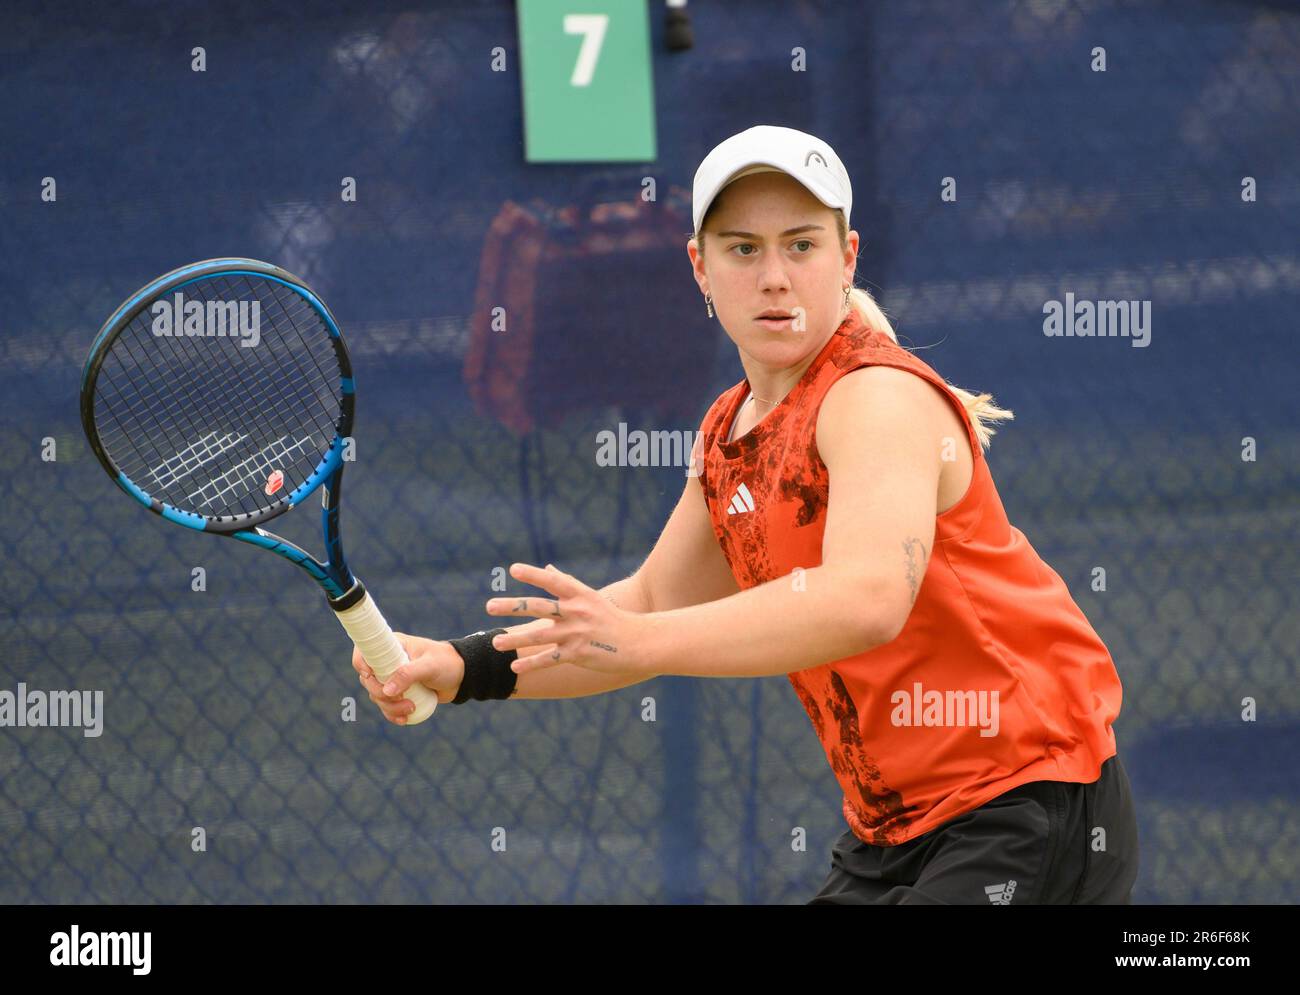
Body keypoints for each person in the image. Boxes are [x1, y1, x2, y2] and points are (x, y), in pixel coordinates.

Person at [352, 125, 1139, 905]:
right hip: (893, 828)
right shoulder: (730, 431)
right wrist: (461, 668)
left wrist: (646, 639)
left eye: (802, 245)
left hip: (1026, 797)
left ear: (848, 257)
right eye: (743, 249)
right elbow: (650, 603)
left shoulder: (877, 397)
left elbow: (867, 599)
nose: (775, 277)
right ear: (699, 267)